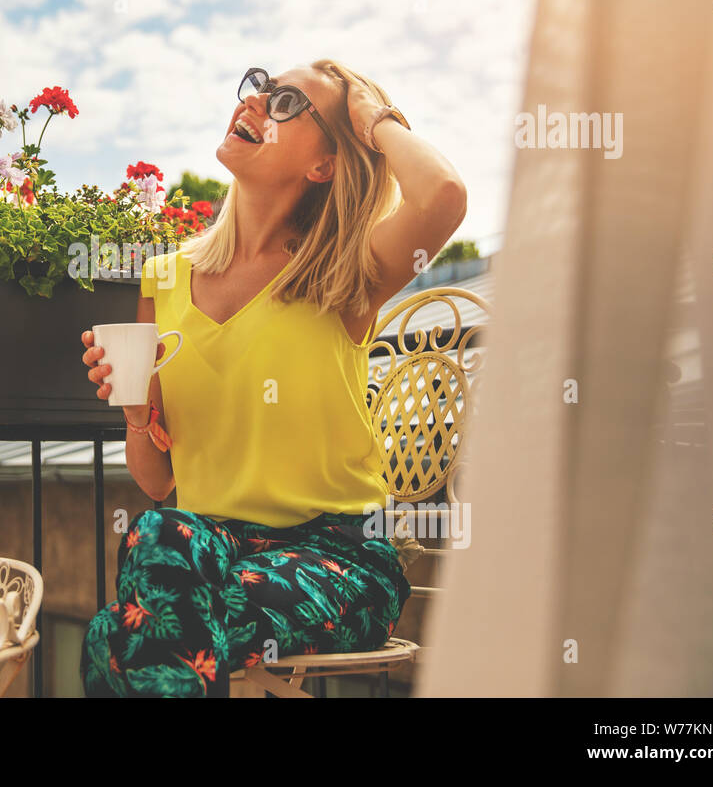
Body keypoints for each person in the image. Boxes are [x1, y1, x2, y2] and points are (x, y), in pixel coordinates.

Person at [77, 61, 467, 697]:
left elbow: (443, 195)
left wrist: (368, 114)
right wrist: (137, 414)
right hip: (206, 550)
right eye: (259, 87)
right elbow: (156, 481)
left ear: (325, 164)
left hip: (339, 558)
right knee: (160, 537)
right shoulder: (166, 279)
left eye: (287, 102)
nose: (256, 101)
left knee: (116, 637)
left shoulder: (346, 270)